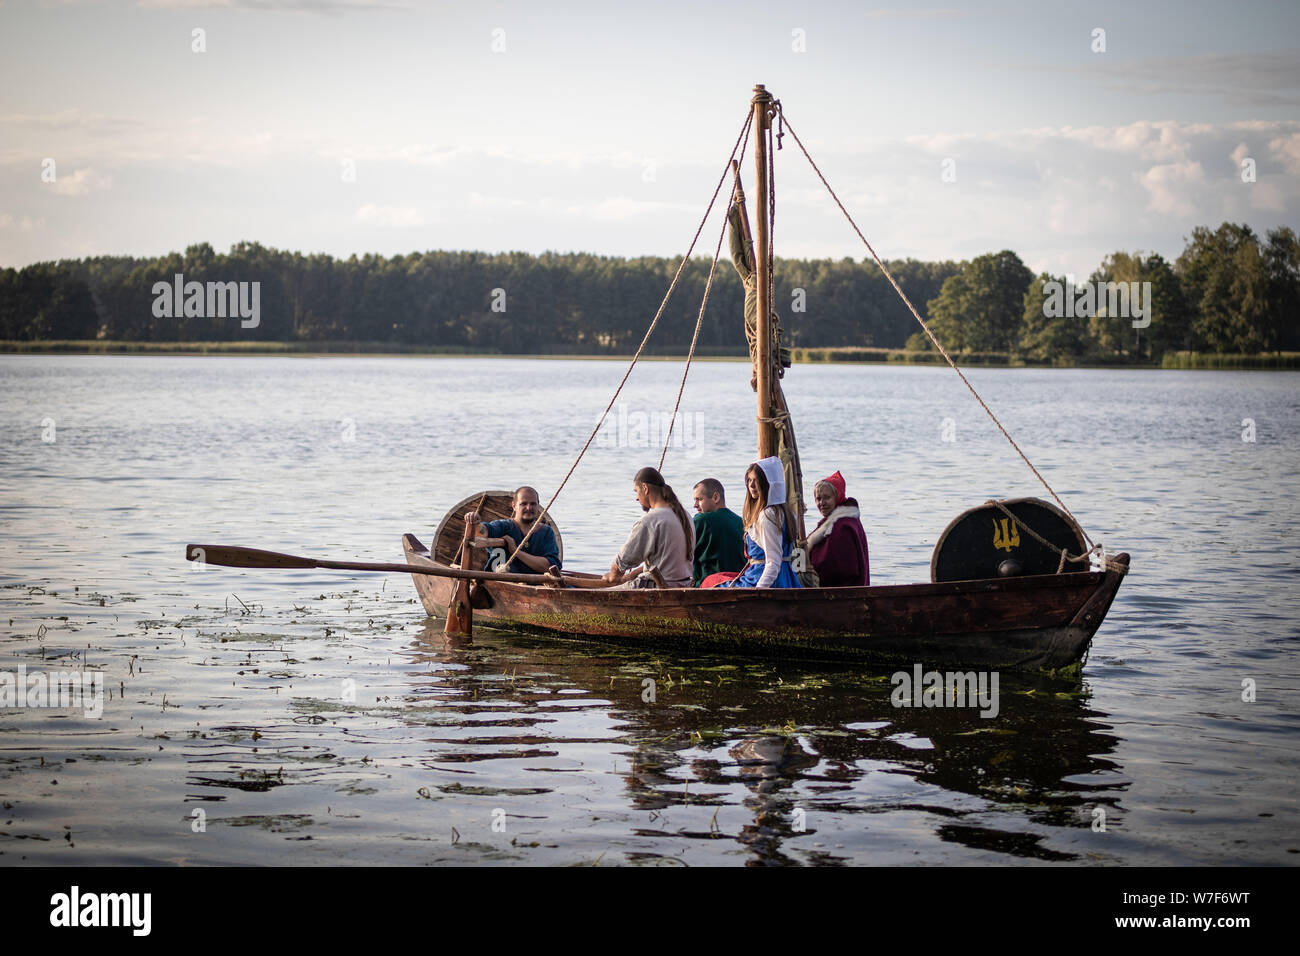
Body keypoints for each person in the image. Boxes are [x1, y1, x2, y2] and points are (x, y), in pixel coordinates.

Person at [603, 466, 695, 589]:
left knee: (596, 595)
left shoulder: (650, 520)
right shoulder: (685, 515)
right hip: (684, 585)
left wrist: (612, 576)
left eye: (636, 491)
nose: (636, 497)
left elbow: (623, 561)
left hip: (655, 588)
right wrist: (631, 575)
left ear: (645, 488)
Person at [719, 456, 802, 589]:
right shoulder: (788, 513)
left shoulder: (767, 516)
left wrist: (758, 591)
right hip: (787, 577)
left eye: (756, 481)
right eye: (749, 480)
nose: (751, 485)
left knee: (712, 585)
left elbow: (773, 562)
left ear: (768, 483)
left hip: (764, 578)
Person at [464, 486, 561, 575]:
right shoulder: (503, 526)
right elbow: (482, 532)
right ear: (514, 506)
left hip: (537, 585)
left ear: (538, 506)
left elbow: (550, 567)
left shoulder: (546, 532)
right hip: (499, 584)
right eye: (523, 504)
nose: (529, 508)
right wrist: (476, 523)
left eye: (533, 504)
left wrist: (516, 551)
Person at [805, 470, 869, 587]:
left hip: (842, 594)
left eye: (827, 498)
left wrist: (808, 567)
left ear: (837, 497)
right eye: (818, 499)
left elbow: (837, 567)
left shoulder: (843, 526)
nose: (822, 503)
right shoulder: (833, 522)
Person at [691, 478, 745, 586]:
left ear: (716, 497)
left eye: (699, 499)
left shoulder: (701, 520)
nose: (695, 505)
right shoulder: (742, 522)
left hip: (710, 586)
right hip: (739, 583)